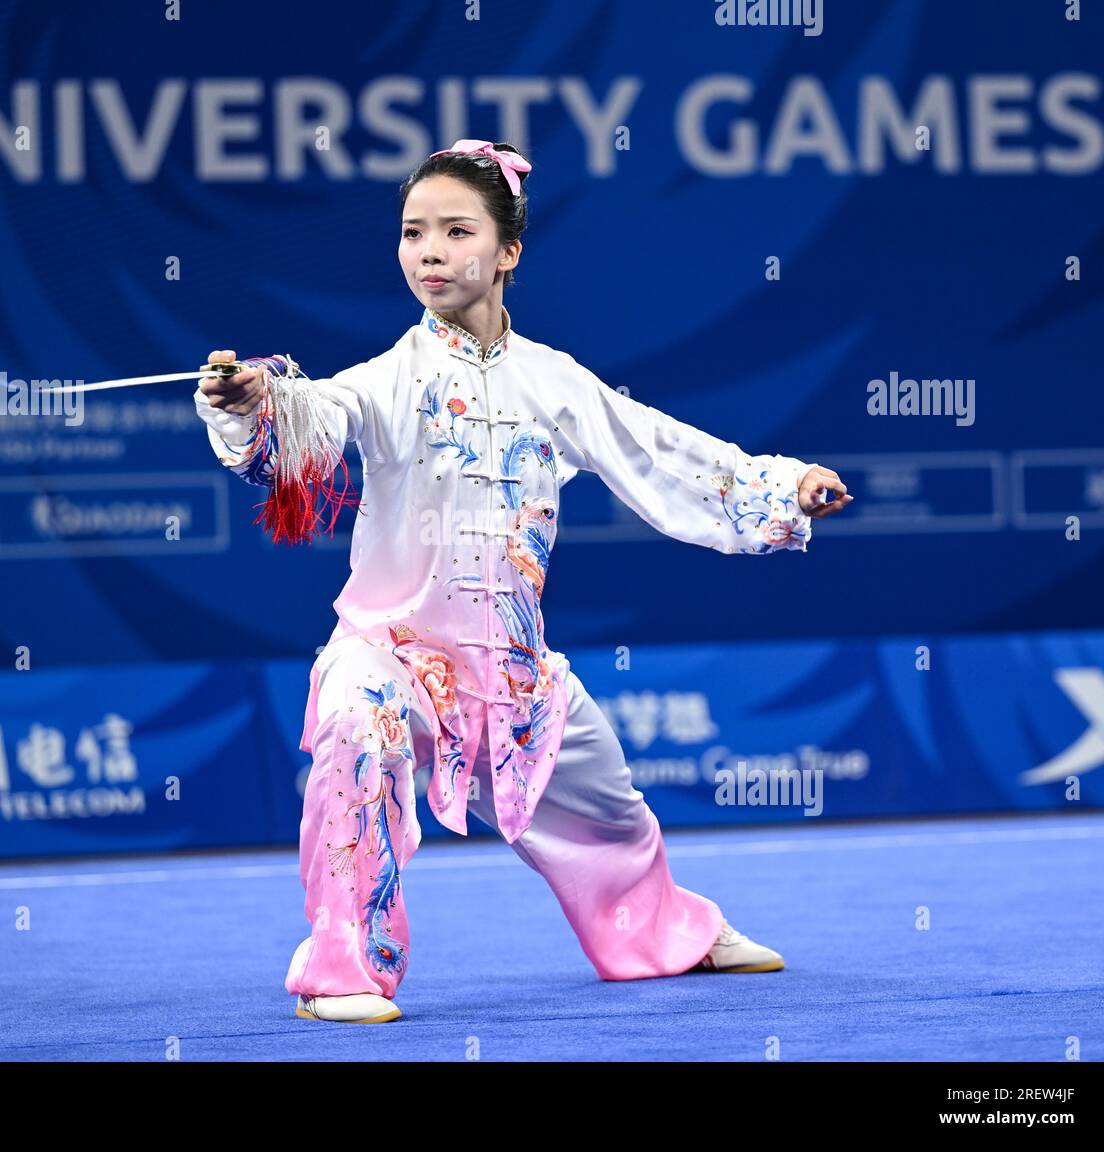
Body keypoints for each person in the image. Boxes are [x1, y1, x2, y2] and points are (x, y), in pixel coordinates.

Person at [194, 140, 853, 1025]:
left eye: (455, 231)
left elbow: (656, 450)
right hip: (390, 651)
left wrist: (783, 487)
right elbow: (318, 415)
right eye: (411, 232)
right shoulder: (386, 381)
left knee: (608, 812)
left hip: (513, 671)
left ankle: (664, 931)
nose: (428, 251)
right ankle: (341, 968)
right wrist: (252, 405)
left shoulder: (555, 382)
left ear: (506, 251)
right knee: (359, 728)